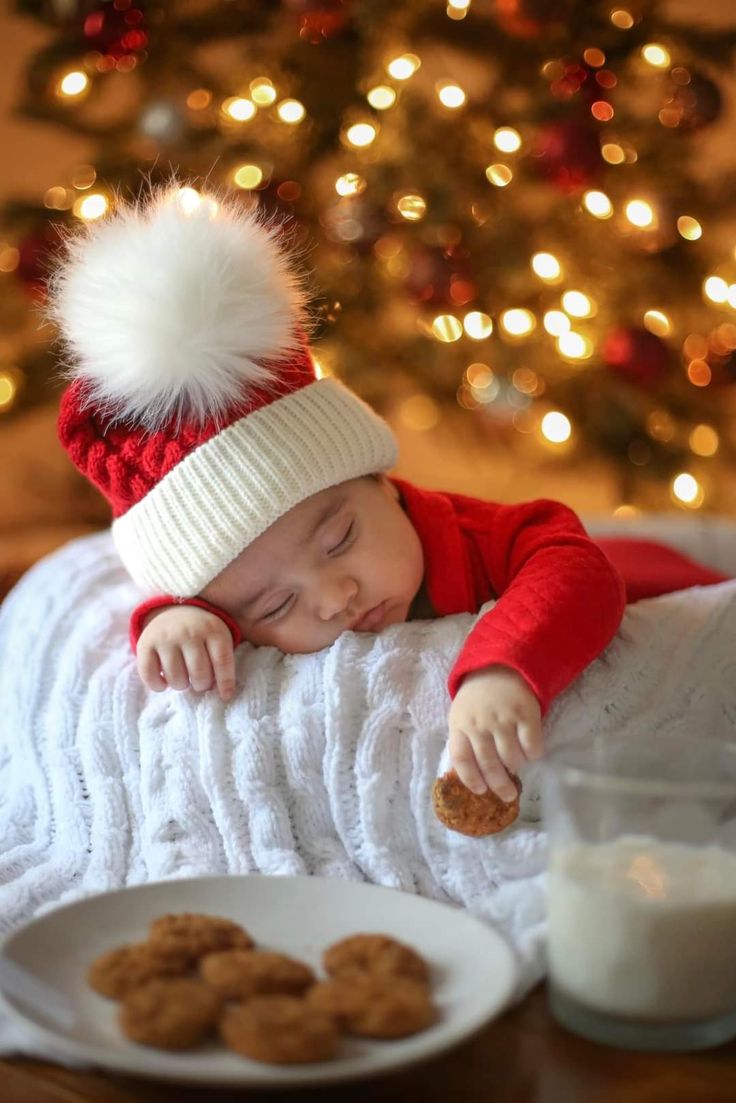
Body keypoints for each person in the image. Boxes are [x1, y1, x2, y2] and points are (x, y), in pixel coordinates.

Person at [50, 182, 728, 805]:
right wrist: (180, 622)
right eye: (276, 603)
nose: (334, 595)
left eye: (339, 536)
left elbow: (578, 569)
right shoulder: (246, 583)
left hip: (661, 580)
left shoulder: (477, 536)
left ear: (382, 482)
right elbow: (206, 607)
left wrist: (504, 670)